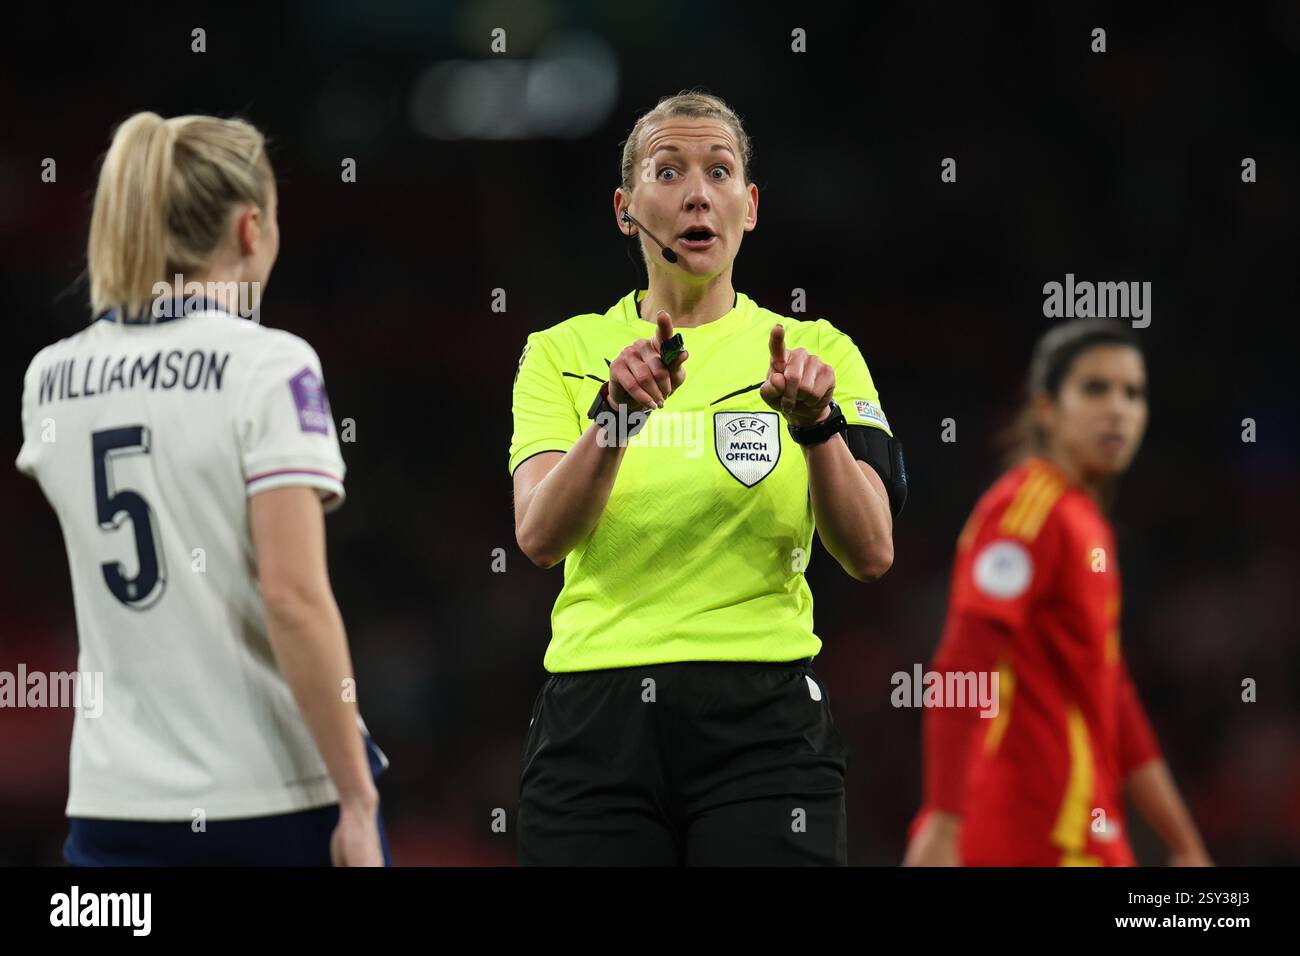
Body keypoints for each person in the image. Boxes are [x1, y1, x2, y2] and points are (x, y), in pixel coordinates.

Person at [508, 91, 907, 865]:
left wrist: (816, 427)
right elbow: (538, 537)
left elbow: (872, 552)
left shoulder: (817, 350)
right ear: (626, 209)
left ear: (749, 206)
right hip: (596, 719)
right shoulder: (560, 351)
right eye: (669, 171)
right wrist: (616, 417)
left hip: (762, 723)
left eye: (720, 172)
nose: (698, 192)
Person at [15, 112, 390, 866]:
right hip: (270, 798)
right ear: (252, 228)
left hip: (110, 804)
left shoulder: (49, 378)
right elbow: (292, 596)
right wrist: (356, 795)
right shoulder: (269, 365)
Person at [903, 318, 1211, 867]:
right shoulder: (1027, 509)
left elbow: (1110, 689)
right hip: (1026, 830)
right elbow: (960, 667)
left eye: (1133, 393)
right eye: (1095, 388)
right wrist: (943, 826)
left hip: (1078, 831)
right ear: (1046, 407)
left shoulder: (1085, 522)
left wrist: (1182, 841)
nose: (1118, 408)